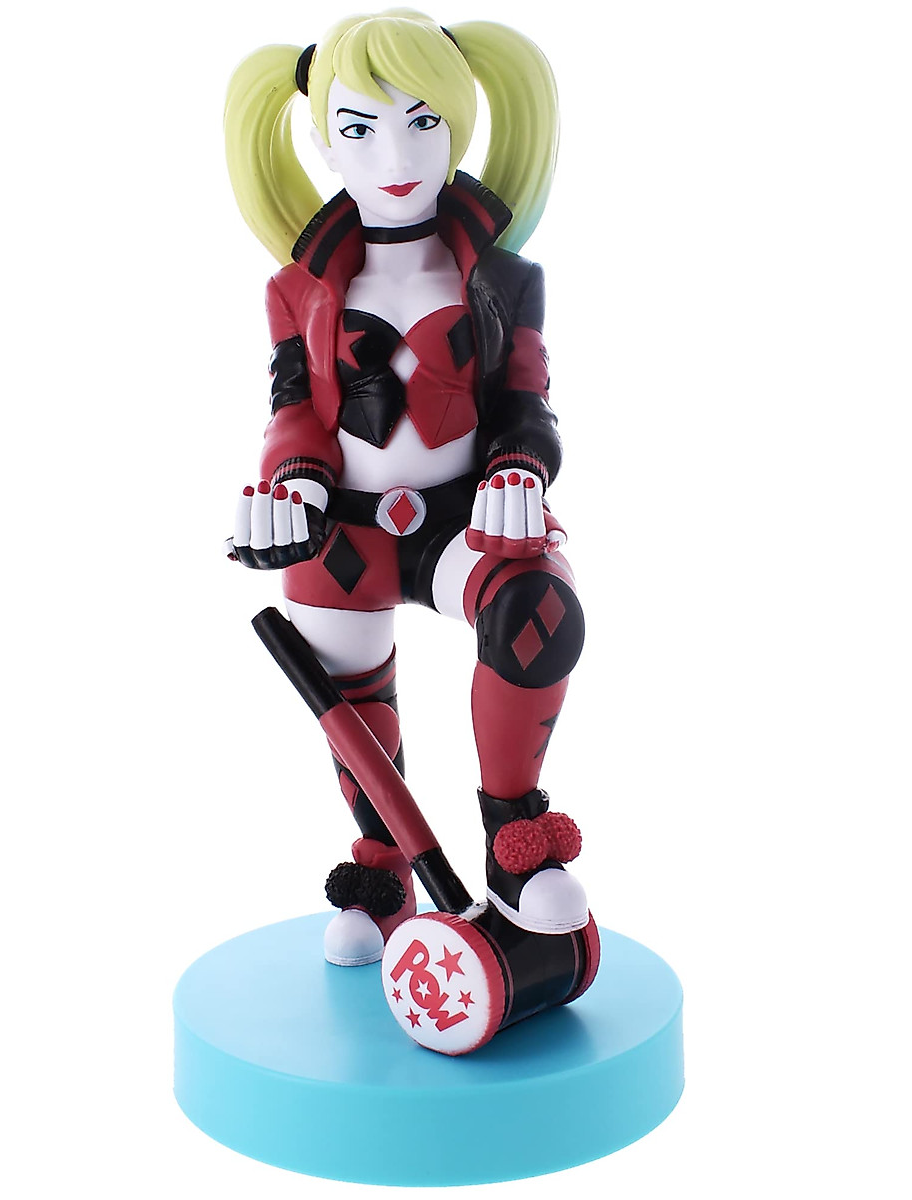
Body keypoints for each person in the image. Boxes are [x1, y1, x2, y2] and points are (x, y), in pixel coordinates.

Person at [224, 10, 588, 967]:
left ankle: (515, 840)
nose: (395, 154)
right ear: (321, 139)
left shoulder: (505, 279)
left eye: (424, 121)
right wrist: (290, 486)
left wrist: (518, 467)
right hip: (346, 532)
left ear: (459, 124)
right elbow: (293, 413)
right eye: (360, 127)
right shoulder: (296, 291)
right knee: (348, 692)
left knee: (537, 609)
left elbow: (529, 400)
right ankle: (383, 870)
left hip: (459, 520)